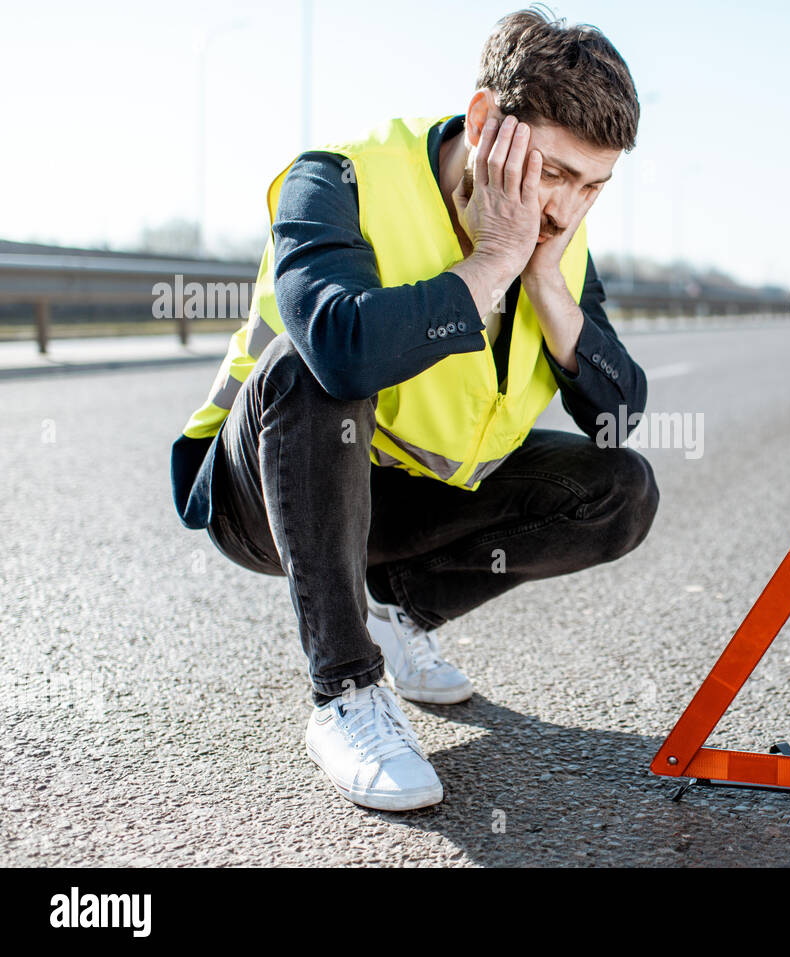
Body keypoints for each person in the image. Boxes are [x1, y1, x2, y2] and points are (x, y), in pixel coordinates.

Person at [169, 7, 658, 811]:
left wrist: (542, 284)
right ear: (484, 122)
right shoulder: (337, 181)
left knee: (623, 488)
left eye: (593, 187)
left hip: (398, 502)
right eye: (554, 175)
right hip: (265, 488)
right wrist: (493, 261)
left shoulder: (561, 247)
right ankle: (347, 693)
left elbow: (618, 411)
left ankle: (397, 609)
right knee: (310, 368)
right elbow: (340, 350)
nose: (567, 211)